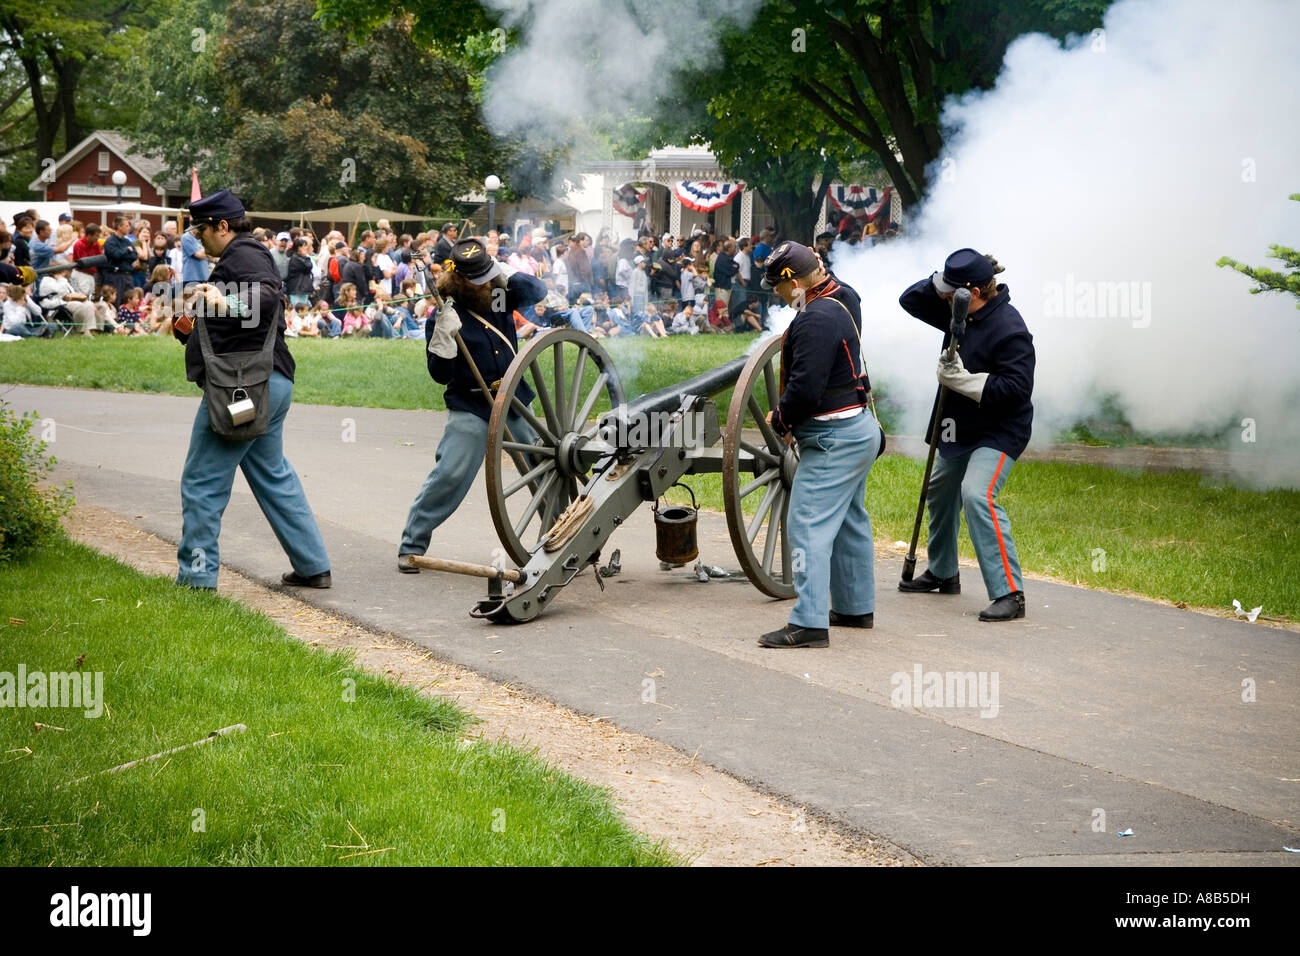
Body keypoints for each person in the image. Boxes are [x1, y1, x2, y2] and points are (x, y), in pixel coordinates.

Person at [170, 188, 331, 590]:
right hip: (269, 385)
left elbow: (264, 297)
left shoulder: (244, 254)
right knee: (272, 474)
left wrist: (225, 301)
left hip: (245, 390)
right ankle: (313, 566)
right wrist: (199, 316)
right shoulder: (245, 253)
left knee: (202, 480)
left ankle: (196, 581)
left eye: (200, 230)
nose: (197, 238)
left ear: (222, 226)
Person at [897, 249, 1034, 622]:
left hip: (1000, 429)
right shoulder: (955, 309)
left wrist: (966, 382)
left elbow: (1017, 390)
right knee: (939, 491)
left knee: (977, 495)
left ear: (972, 293)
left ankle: (1010, 593)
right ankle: (943, 572)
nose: (941, 296)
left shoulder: (1010, 328)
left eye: (951, 290)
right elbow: (909, 298)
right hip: (958, 425)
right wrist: (955, 276)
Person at [397, 237, 546, 572]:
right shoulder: (445, 313)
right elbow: (440, 375)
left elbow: (538, 293)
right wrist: (443, 340)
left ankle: (563, 535)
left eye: (489, 276)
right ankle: (412, 545)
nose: (486, 284)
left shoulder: (497, 297)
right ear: (459, 279)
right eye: (478, 279)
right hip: (471, 404)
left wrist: (509, 273)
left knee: (545, 467)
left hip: (514, 398)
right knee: (450, 473)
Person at [758, 242, 879, 648]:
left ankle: (808, 622)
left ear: (793, 281)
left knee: (806, 523)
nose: (775, 291)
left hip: (833, 437)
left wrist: (780, 418)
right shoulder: (841, 298)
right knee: (849, 520)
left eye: (777, 284)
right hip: (858, 430)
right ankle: (854, 607)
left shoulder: (813, 320)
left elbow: (805, 390)